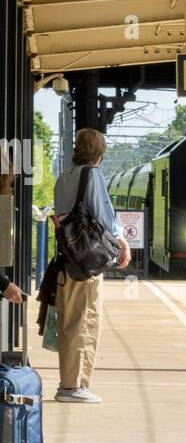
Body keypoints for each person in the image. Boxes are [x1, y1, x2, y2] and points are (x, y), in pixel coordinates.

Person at [52, 127, 130, 404]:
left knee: (70, 321)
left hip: (67, 257)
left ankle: (68, 383)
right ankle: (73, 386)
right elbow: (104, 217)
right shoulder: (92, 175)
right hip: (86, 262)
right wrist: (122, 242)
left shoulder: (64, 176)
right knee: (84, 321)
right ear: (99, 152)